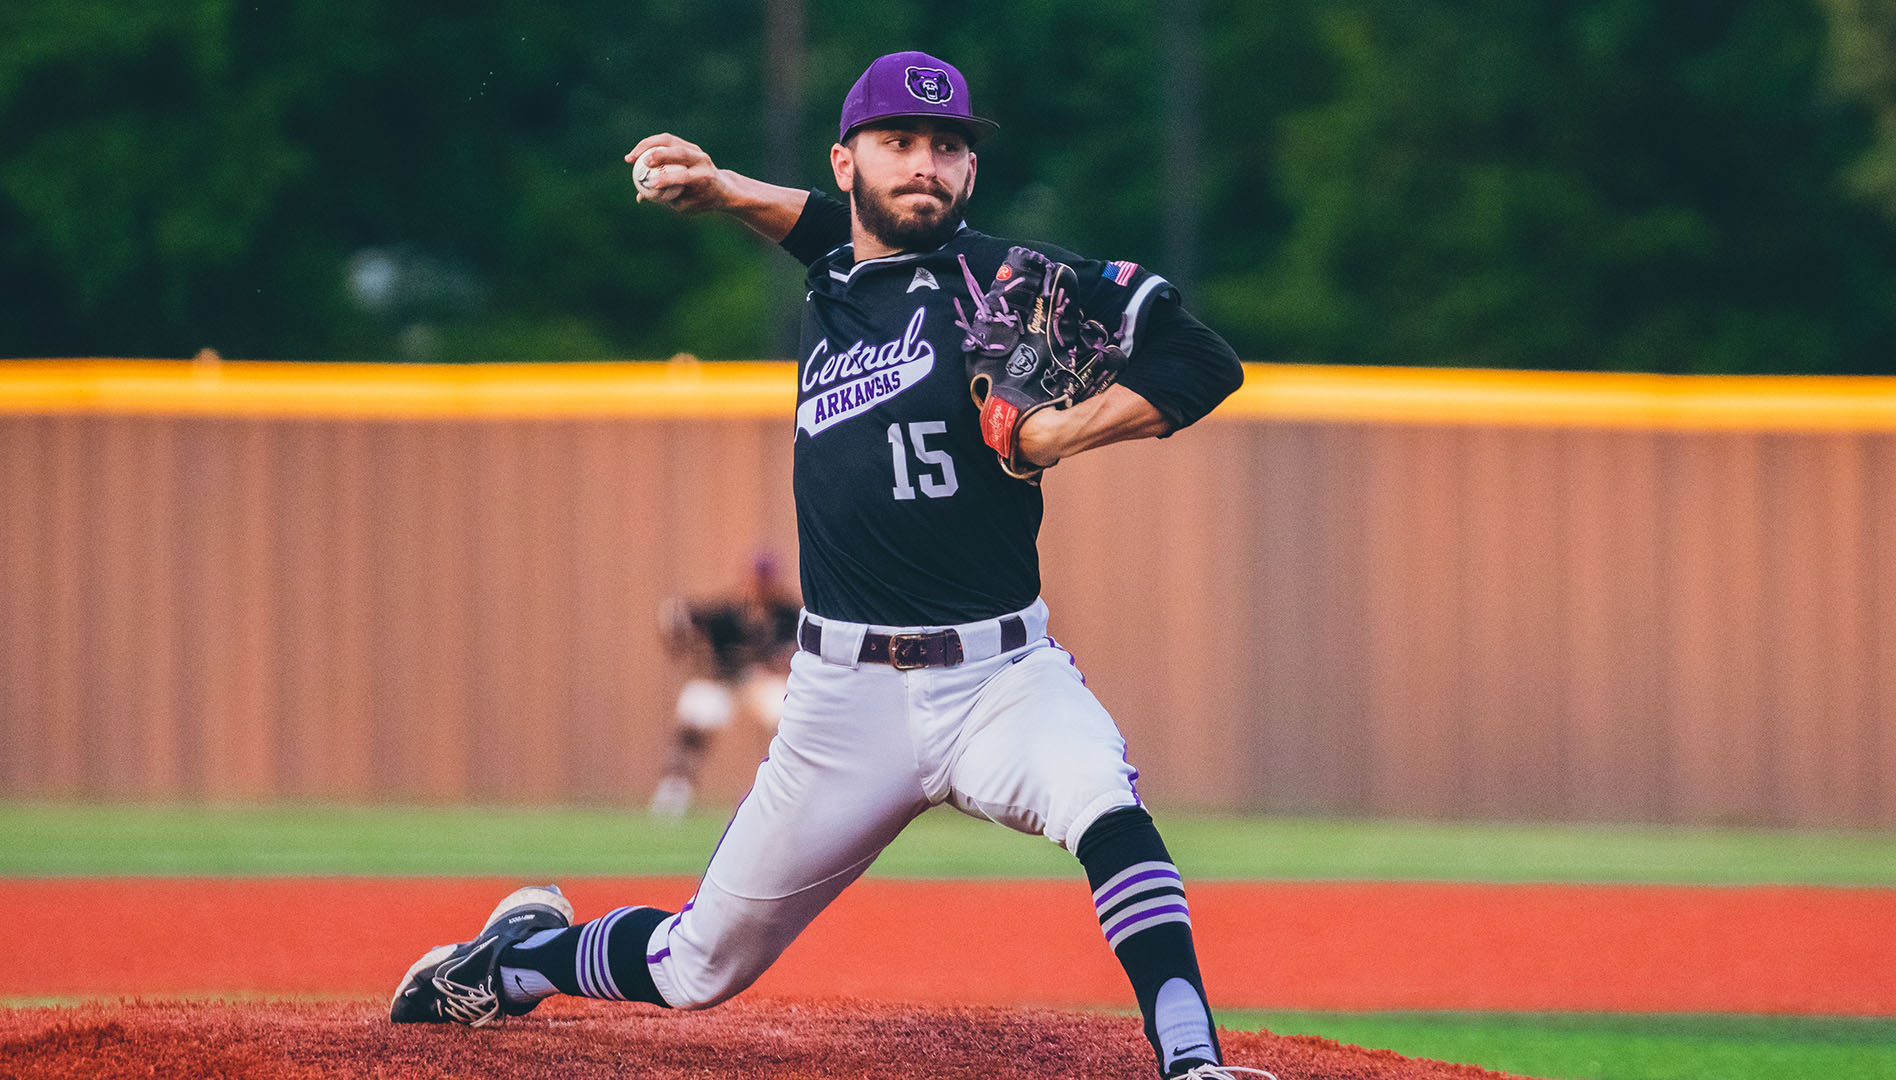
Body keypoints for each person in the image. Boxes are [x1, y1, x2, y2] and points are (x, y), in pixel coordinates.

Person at [392, 50, 1264, 1080]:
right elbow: (819, 228)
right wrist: (720, 192)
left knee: (1109, 811)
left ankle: (1193, 1061)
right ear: (846, 161)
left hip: (1002, 679)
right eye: (899, 143)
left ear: (971, 173)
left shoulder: (1013, 279)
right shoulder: (836, 276)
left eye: (948, 147)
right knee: (695, 966)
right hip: (842, 697)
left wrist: (1056, 435)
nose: (927, 166)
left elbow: (1203, 361)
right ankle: (518, 963)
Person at [649, 554, 801, 820]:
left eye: (765, 581)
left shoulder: (789, 614)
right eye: (756, 580)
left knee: (790, 717)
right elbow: (680, 617)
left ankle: (790, 791)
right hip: (723, 680)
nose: (759, 587)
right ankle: (674, 792)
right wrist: (675, 624)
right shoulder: (727, 611)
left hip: (759, 681)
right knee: (697, 714)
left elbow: (799, 648)